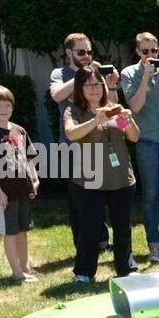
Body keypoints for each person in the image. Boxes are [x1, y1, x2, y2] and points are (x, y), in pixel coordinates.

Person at [64, 65, 140, 283]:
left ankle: (126, 268)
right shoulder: (74, 111)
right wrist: (95, 120)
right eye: (88, 85)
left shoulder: (115, 107)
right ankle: (84, 272)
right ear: (80, 88)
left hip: (121, 179)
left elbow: (133, 137)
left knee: (123, 225)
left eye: (98, 84)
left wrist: (129, 119)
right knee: (91, 225)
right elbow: (71, 134)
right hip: (89, 180)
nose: (94, 89)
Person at [120, 32, 159, 262]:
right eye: (145, 51)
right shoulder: (129, 74)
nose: (150, 55)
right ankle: (153, 244)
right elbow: (134, 107)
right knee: (150, 196)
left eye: (154, 51)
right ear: (137, 52)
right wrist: (146, 77)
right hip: (147, 141)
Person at [51, 33, 113, 250]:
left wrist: (107, 81)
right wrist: (81, 75)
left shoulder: (95, 74)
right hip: (72, 145)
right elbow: (57, 95)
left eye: (89, 52)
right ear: (69, 52)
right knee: (77, 198)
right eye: (81, 52)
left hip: (98, 142)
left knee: (100, 192)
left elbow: (110, 103)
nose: (86, 56)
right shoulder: (59, 73)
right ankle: (82, 243)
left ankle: (103, 239)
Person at [0, 85, 40, 282]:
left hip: (24, 189)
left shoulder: (19, 130)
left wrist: (34, 178)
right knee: (10, 232)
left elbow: (29, 157)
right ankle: (16, 272)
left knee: (23, 231)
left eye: (7, 105)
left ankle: (25, 266)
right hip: (5, 193)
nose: (4, 109)